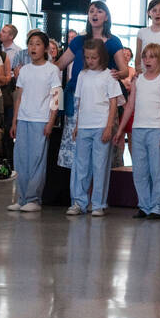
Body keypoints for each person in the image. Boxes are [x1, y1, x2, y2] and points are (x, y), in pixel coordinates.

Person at [66, 39, 122, 217]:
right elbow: (80, 102)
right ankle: (79, 202)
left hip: (100, 126)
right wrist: (77, 125)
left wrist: (109, 127)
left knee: (100, 166)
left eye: (94, 57)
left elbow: (113, 103)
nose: (90, 60)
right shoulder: (82, 75)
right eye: (88, 57)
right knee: (81, 166)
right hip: (84, 126)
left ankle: (98, 204)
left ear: (102, 57)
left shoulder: (109, 76)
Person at [117, 42, 160, 220]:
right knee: (140, 170)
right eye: (145, 56)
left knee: (158, 170)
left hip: (157, 129)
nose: (148, 60)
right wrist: (120, 130)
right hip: (138, 129)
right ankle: (144, 205)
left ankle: (158, 206)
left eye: (152, 57)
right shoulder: (138, 80)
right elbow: (130, 105)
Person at [8, 30, 60, 213]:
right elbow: (19, 97)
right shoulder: (24, 70)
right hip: (23, 118)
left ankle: (33, 199)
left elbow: (56, 97)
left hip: (41, 119)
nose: (33, 47)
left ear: (45, 48)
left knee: (37, 160)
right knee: (21, 159)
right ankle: (22, 198)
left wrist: (50, 122)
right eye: (31, 44)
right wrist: (14, 122)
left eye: (38, 44)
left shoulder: (52, 70)